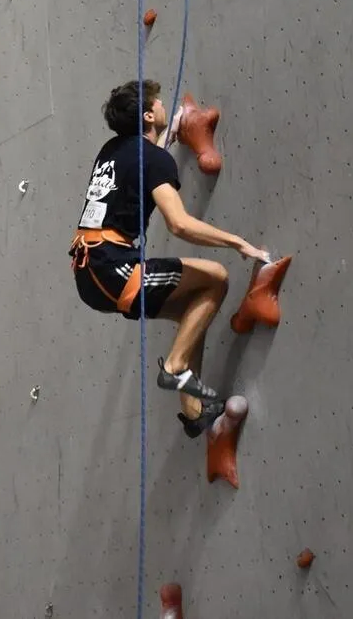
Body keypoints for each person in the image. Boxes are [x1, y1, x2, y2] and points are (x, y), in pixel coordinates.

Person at [69, 80, 270, 438]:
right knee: (216, 277)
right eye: (159, 104)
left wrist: (167, 138)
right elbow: (178, 224)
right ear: (148, 114)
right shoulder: (153, 159)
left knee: (194, 312)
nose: (165, 105)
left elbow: (142, 167)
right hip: (114, 269)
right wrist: (239, 243)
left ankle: (195, 414)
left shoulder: (113, 150)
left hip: (92, 273)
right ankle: (176, 367)